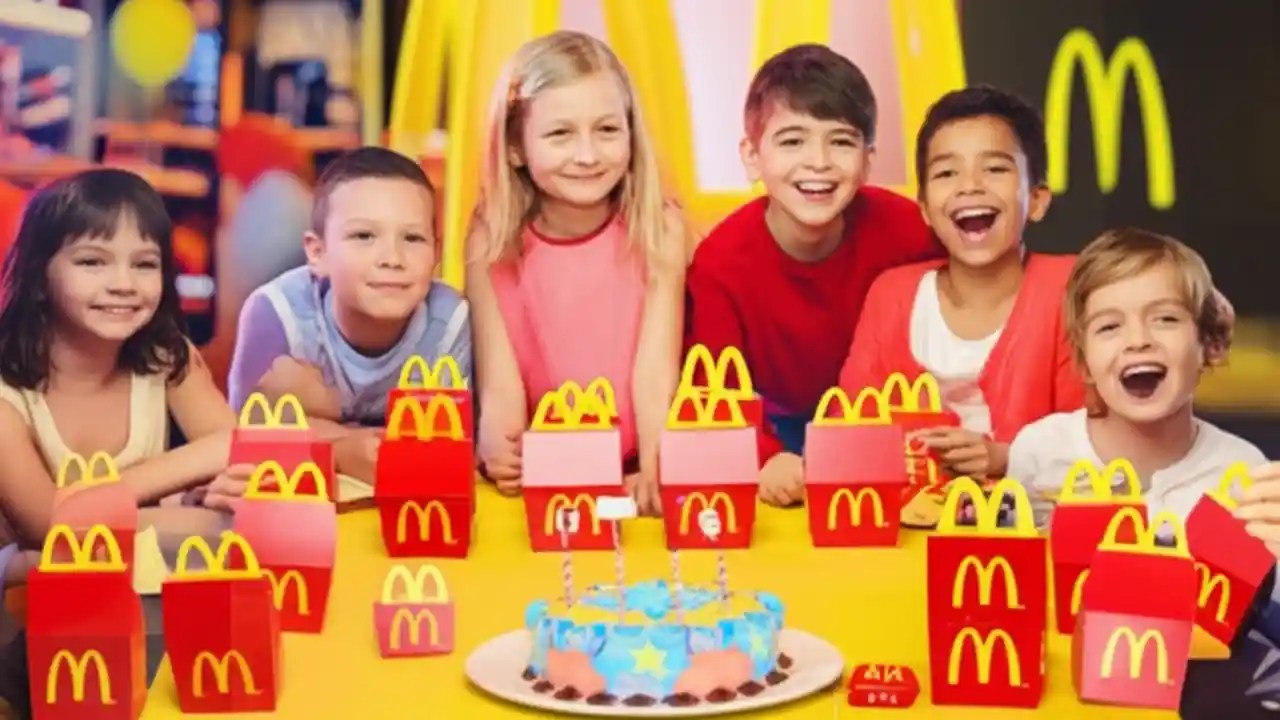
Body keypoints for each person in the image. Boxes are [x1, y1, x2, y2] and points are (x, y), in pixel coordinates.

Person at [685, 44, 943, 508]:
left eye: (840, 141)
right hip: (773, 425)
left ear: (867, 159)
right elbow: (715, 392)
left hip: (877, 424)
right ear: (751, 156)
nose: (819, 162)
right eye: (792, 140)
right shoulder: (720, 264)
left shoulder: (908, 232)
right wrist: (766, 457)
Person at [838, 86, 1083, 526]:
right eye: (947, 173)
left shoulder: (1073, 289)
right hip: (906, 532)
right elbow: (850, 425)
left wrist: (1005, 459)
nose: (970, 186)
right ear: (926, 210)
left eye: (994, 168)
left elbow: (1102, 441)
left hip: (1030, 532)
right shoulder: (892, 294)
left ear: (1039, 199)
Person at [467, 31, 687, 514]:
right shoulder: (492, 236)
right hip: (546, 469)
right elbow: (498, 369)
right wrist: (499, 441)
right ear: (515, 147)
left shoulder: (659, 227)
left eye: (607, 130)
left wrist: (655, 464)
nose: (587, 155)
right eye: (560, 134)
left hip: (631, 465)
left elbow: (655, 373)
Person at [0, 169, 235, 543]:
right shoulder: (6, 396)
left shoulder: (166, 358)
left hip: (137, 584)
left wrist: (204, 491)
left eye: (144, 264)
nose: (123, 285)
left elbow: (237, 452)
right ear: (40, 278)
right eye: (92, 262)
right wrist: (183, 492)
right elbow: (52, 531)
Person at [225, 147, 471, 486]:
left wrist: (320, 421)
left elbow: (454, 448)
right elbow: (241, 437)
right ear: (318, 253)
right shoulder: (277, 315)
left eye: (413, 238)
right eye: (364, 236)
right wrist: (342, 449)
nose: (392, 258)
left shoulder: (449, 323)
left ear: (436, 254)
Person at [1007, 228, 1263, 526]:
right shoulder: (1041, 453)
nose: (1138, 340)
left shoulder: (1243, 473)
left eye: (1166, 319)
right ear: (1085, 360)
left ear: (1208, 344)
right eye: (1109, 327)